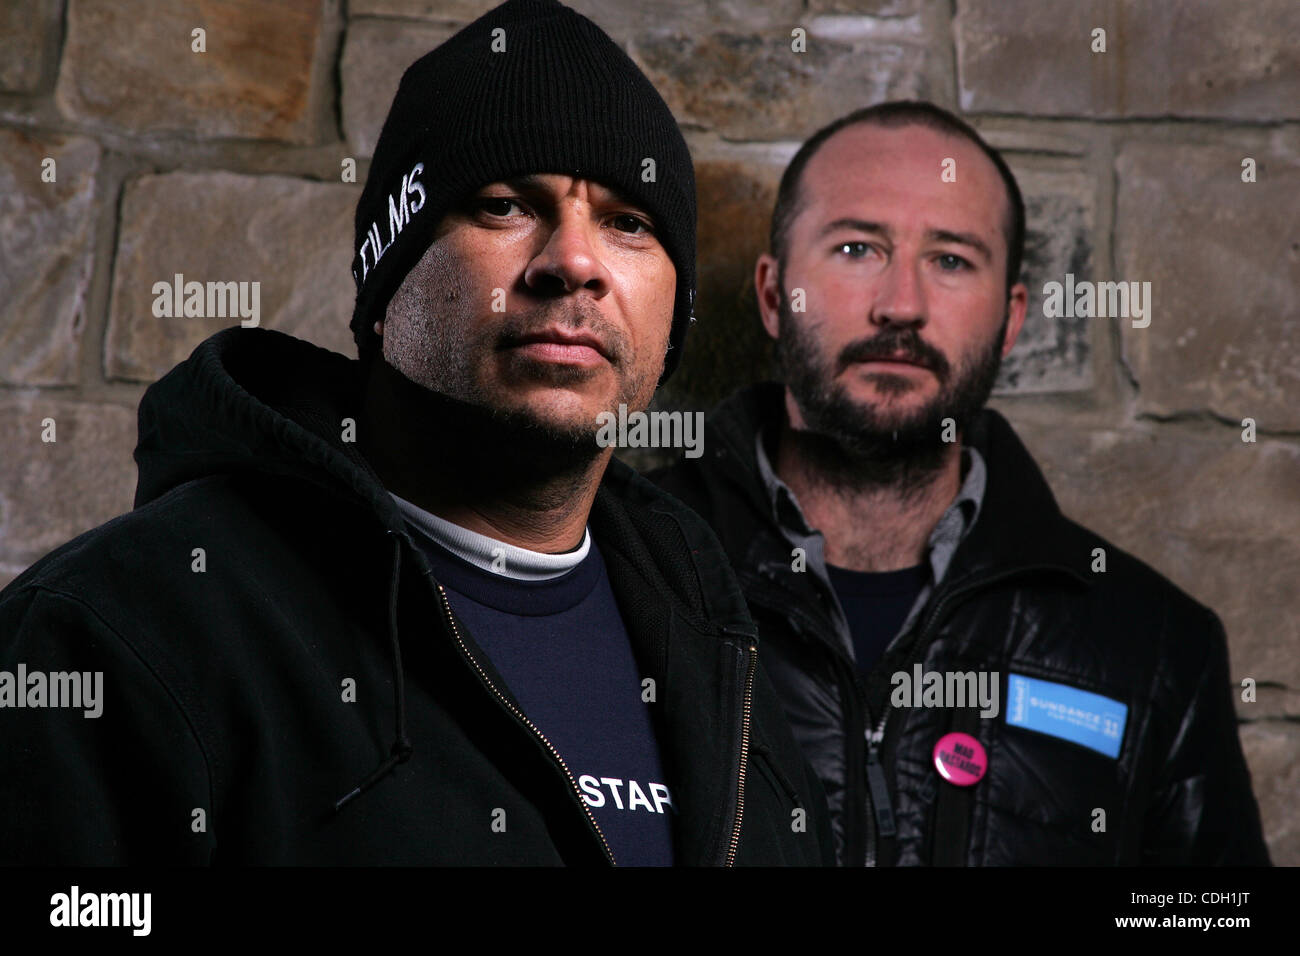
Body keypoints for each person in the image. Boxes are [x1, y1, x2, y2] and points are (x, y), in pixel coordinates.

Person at [0, 0, 831, 866]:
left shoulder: (723, 659)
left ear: (673, 313)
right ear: (387, 284)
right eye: (505, 204)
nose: (574, 261)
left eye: (629, 223)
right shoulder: (120, 632)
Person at [649, 100, 1270, 866]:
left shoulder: (1155, 646)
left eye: (950, 260)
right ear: (775, 296)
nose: (900, 306)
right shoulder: (629, 574)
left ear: (1010, 321)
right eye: (855, 248)